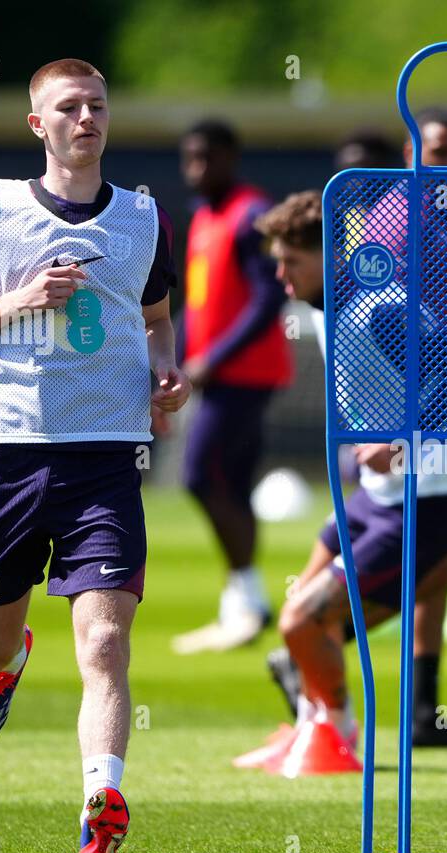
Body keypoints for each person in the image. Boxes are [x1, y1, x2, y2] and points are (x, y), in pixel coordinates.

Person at [0, 58, 189, 853]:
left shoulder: (143, 218)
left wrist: (165, 371)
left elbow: (155, 320)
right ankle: (4, 668)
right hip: (8, 458)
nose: (86, 119)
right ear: (38, 124)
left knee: (107, 643)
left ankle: (99, 798)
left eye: (97, 106)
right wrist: (18, 301)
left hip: (106, 460)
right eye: (68, 108)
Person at [240, 186, 447, 776]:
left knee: (299, 622)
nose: (281, 275)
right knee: (300, 624)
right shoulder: (332, 309)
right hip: (379, 498)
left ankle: (338, 733)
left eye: (292, 262)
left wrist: (400, 440)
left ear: (327, 259)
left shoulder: (377, 309)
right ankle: (308, 723)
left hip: (423, 505)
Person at [172, 120, 290, 655]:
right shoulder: (204, 217)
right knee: (231, 484)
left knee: (200, 475)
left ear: (231, 158)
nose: (197, 169)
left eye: (208, 158)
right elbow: (199, 306)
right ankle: (242, 602)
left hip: (246, 375)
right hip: (219, 374)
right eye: (190, 158)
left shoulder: (250, 216)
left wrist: (210, 361)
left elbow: (269, 300)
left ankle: (246, 596)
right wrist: (171, 359)